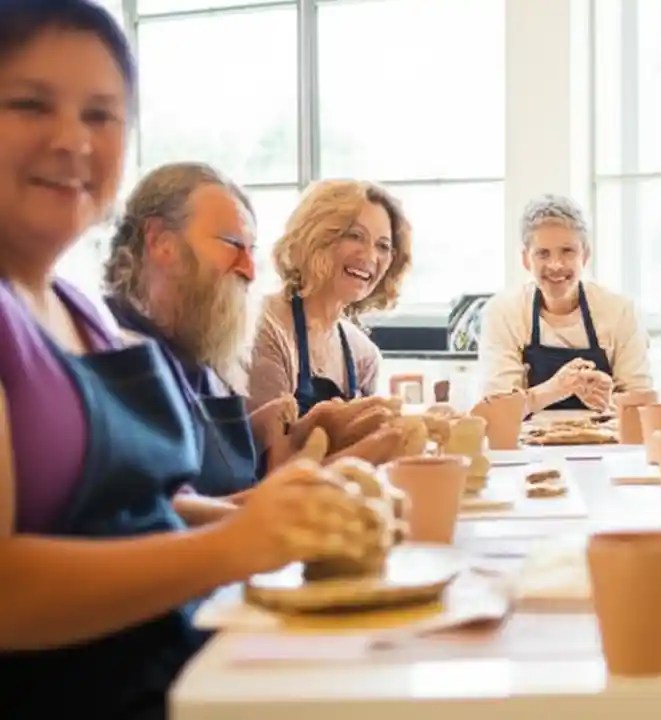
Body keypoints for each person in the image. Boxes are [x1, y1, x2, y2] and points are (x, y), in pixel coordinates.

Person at [0, 4, 370, 718]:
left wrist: (279, 510)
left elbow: (147, 510)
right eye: (30, 104)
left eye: (102, 115)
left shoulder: (81, 316)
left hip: (184, 672)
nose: (74, 139)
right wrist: (236, 547)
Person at [102, 163, 404, 506]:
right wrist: (345, 468)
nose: (247, 269)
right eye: (232, 244)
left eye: (251, 250)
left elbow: (224, 471)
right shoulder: (118, 358)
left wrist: (288, 427)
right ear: (161, 242)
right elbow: (167, 522)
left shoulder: (196, 355)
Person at [246, 178, 413, 415]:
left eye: (383, 246)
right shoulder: (264, 328)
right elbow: (272, 448)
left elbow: (368, 442)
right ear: (317, 237)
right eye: (355, 236)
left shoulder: (363, 355)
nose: (370, 256)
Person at [479, 194, 652, 413]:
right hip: (528, 444)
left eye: (567, 251)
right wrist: (556, 389)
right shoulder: (503, 312)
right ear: (525, 259)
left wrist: (610, 401)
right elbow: (496, 407)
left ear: (585, 255)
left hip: (605, 443)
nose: (556, 265)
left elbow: (643, 400)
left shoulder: (620, 311)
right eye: (543, 253)